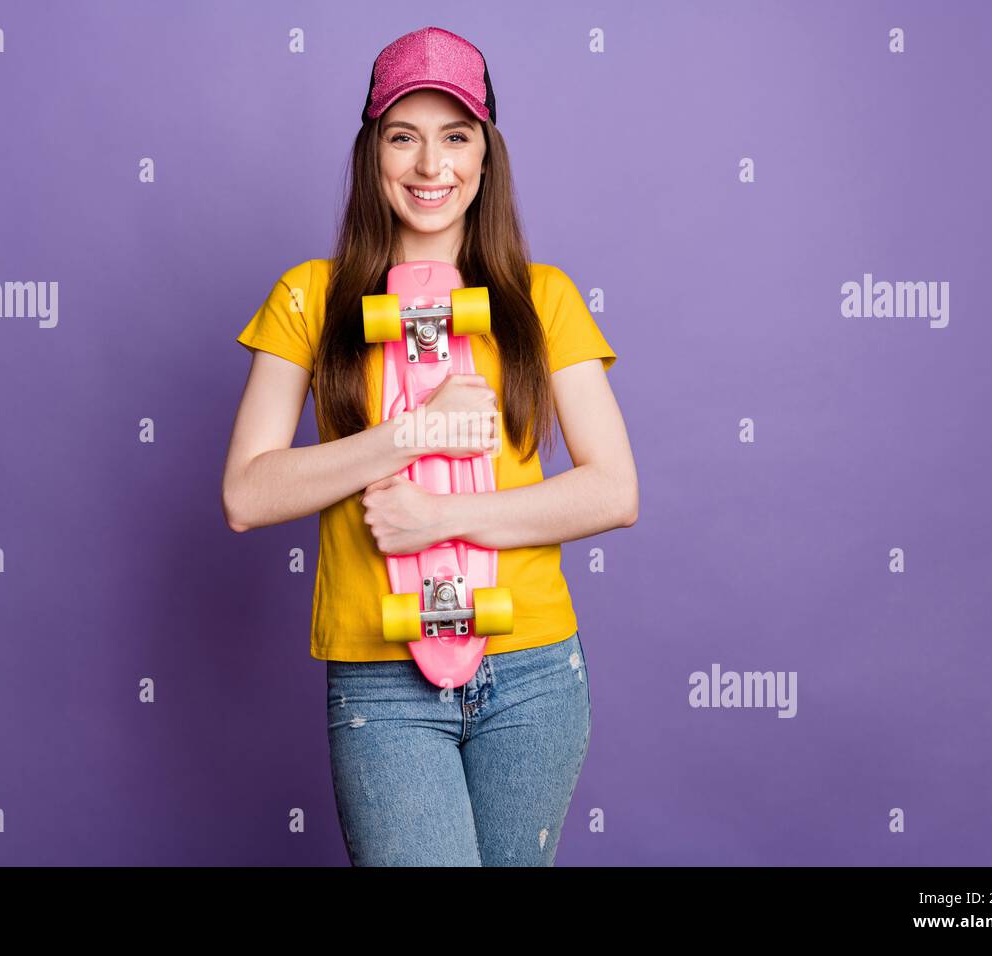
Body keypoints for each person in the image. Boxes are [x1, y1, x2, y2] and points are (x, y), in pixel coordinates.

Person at [222, 26, 637, 866]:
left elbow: (613, 492)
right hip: (381, 680)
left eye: (455, 137)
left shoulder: (542, 299)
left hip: (534, 675)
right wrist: (411, 433)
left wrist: (443, 515)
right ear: (372, 151)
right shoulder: (310, 298)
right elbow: (247, 494)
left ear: (486, 156)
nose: (430, 165)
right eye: (402, 136)